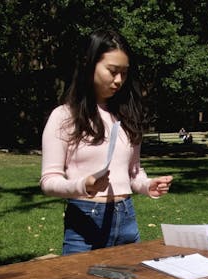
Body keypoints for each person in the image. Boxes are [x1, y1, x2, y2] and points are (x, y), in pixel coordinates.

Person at [40, 29, 173, 255]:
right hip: (85, 220)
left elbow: (133, 173)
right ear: (89, 65)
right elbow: (48, 181)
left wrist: (147, 185)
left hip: (126, 217)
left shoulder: (127, 117)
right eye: (112, 71)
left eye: (124, 73)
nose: (119, 80)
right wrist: (83, 185)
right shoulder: (63, 116)